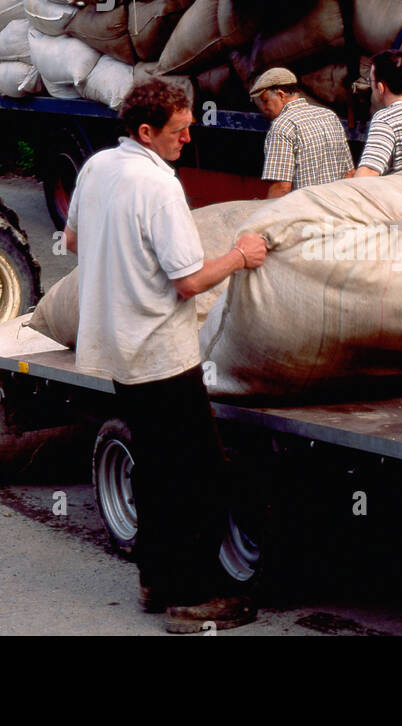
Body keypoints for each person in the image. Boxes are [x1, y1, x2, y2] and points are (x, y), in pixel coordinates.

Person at [63, 78, 268, 633]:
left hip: (118, 347)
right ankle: (194, 597)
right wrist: (240, 255)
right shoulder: (159, 186)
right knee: (196, 473)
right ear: (147, 132)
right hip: (160, 352)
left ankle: (155, 580)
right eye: (179, 130)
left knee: (154, 466)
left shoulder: (98, 168)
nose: (188, 136)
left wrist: (122, 258)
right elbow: (189, 281)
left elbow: (76, 242)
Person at [249, 67, 352, 198]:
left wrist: (267, 215)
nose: (264, 108)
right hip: (335, 210)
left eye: (266, 101)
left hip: (304, 214)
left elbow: (282, 187)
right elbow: (349, 173)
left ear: (281, 95)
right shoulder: (329, 115)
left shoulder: (282, 126)